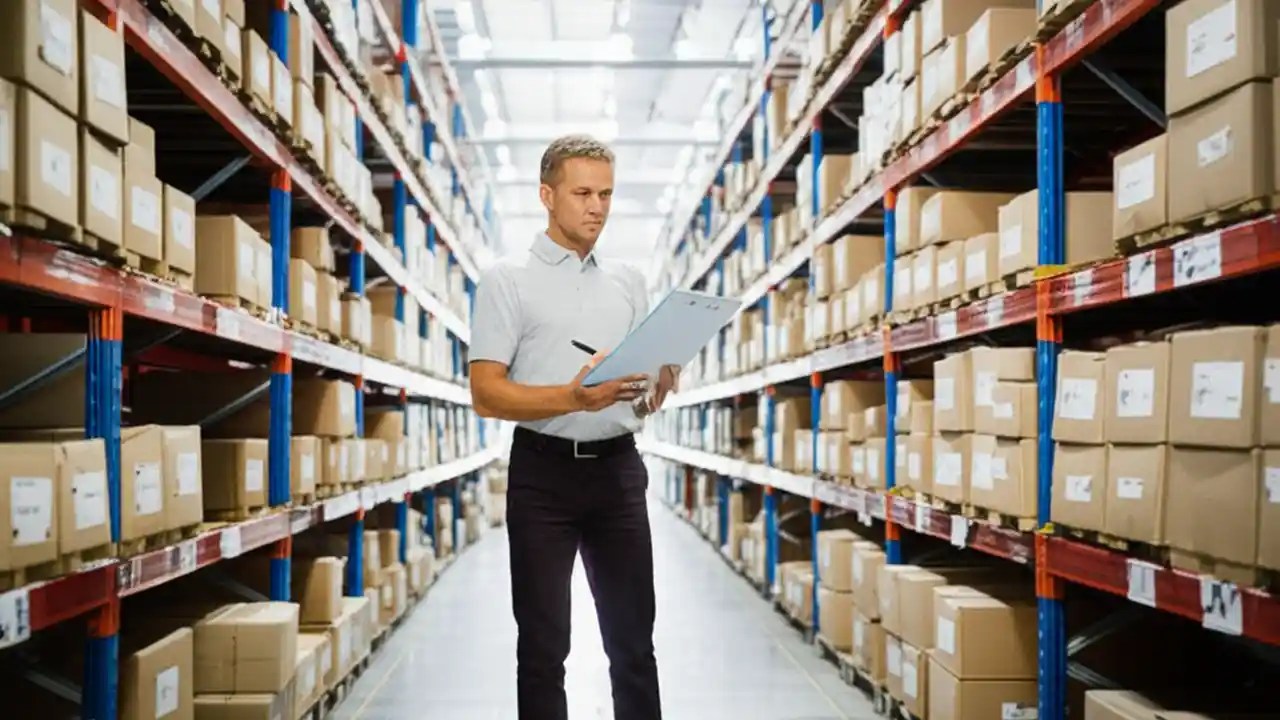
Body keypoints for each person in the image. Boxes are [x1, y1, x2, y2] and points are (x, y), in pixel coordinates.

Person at [469, 134, 676, 720]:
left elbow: (638, 399)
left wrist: (657, 383)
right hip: (543, 477)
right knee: (542, 647)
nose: (597, 207)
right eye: (582, 192)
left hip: (618, 472)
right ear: (546, 195)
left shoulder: (629, 281)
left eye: (606, 194)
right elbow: (486, 393)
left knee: (634, 643)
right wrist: (574, 399)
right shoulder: (506, 280)